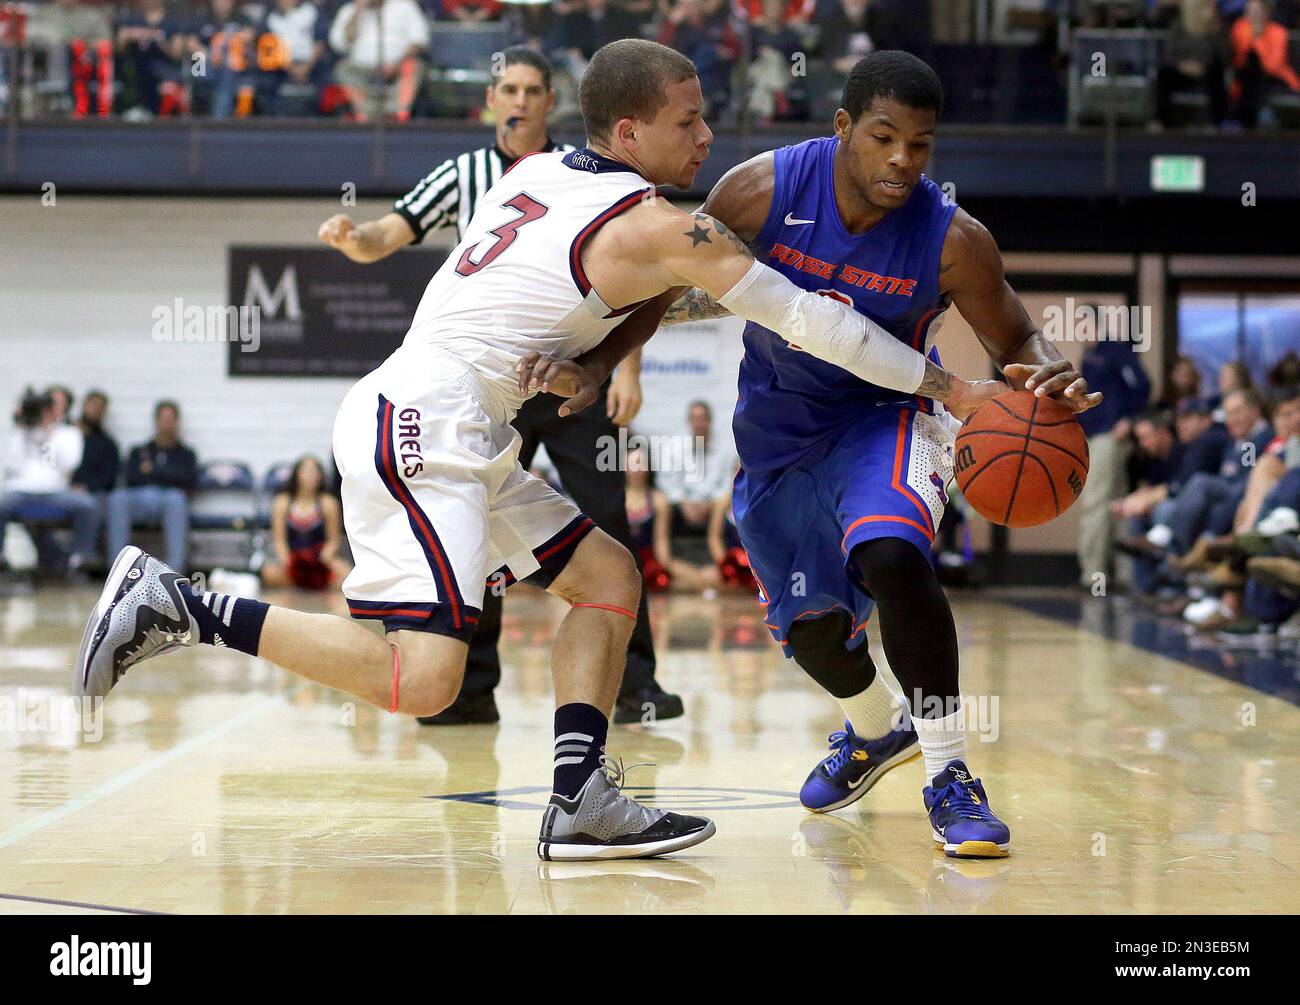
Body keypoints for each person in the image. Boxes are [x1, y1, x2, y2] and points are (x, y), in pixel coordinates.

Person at [79, 38, 1007, 861]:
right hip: (426, 424)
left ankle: (577, 799)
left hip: (463, 426)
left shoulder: (533, 177)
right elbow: (814, 321)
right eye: (688, 121)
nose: (707, 137)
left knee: (608, 579)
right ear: (632, 130)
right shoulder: (657, 224)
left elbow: (562, 296)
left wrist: (591, 362)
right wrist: (954, 388)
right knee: (424, 677)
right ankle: (182, 605)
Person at [655, 50, 1102, 857]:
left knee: (894, 553)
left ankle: (951, 773)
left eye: (921, 144)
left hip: (883, 420)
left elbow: (1016, 338)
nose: (903, 159)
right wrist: (599, 345)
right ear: (843, 127)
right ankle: (872, 730)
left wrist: (1046, 370)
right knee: (819, 633)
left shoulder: (953, 238)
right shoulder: (759, 191)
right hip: (775, 438)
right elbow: (677, 289)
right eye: (885, 137)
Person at [320, 48, 681, 726]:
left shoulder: (583, 172)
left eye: (531, 90)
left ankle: (634, 684)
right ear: (491, 101)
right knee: (475, 524)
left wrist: (624, 368)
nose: (518, 101)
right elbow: (390, 232)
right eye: (507, 89)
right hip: (482, 382)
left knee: (607, 523)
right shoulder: (465, 173)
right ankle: (470, 685)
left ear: (551, 103)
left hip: (569, 375)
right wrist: (355, 236)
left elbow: (637, 279)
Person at [1074, 335, 1151, 587]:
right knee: (1116, 504)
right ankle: (1125, 576)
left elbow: (1142, 385)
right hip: (1095, 434)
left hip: (1108, 436)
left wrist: (1128, 418)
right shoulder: (1089, 356)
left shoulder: (1114, 351)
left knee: (1096, 502)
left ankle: (1092, 575)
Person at [0, 388, 98, 577]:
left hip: (55, 492)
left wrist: (48, 434)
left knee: (88, 506)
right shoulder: (23, 432)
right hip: (22, 491)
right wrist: (23, 429)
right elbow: (14, 464)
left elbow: (67, 465)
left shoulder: (69, 433)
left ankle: (80, 558)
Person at [105, 400, 198, 573]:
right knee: (117, 498)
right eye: (163, 419)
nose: (166, 424)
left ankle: (175, 571)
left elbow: (188, 481)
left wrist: (153, 470)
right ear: (155, 421)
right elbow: (131, 477)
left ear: (177, 423)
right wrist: (168, 474)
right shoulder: (138, 451)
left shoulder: (186, 454)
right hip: (140, 499)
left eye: (170, 419)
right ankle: (118, 569)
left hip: (169, 501)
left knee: (177, 499)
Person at [327, 0, 429, 121]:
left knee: (413, 67)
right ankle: (365, 114)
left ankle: (397, 115)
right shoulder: (349, 10)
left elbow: (419, 40)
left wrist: (396, 64)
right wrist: (358, 12)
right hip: (360, 68)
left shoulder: (405, 6)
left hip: (398, 65)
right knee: (343, 69)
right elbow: (339, 44)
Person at [261, 455, 352, 589]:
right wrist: (288, 561)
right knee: (268, 573)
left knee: (348, 576)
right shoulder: (283, 502)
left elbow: (334, 540)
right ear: (296, 475)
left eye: (315, 472)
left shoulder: (328, 503)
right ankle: (299, 585)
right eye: (307, 471)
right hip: (292, 558)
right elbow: (279, 540)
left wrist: (324, 557)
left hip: (320, 559)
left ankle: (312, 585)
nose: (311, 476)